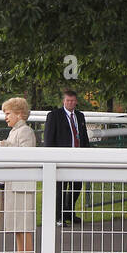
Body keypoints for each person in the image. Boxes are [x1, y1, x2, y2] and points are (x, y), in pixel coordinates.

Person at [0, 97, 38, 253]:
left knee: (23, 220)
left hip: (22, 183)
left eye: (8, 113)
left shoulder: (26, 131)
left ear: (19, 114)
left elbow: (27, 155)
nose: (6, 117)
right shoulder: (14, 131)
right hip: (13, 181)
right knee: (15, 222)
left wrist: (6, 147)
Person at [43, 88, 90, 224]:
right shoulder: (54, 115)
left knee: (76, 186)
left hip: (78, 158)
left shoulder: (80, 116)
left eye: (73, 101)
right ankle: (58, 217)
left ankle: (69, 213)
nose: (70, 103)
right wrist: (50, 157)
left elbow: (84, 137)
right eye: (68, 100)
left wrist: (87, 154)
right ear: (64, 101)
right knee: (61, 188)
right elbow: (48, 138)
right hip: (60, 158)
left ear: (76, 102)